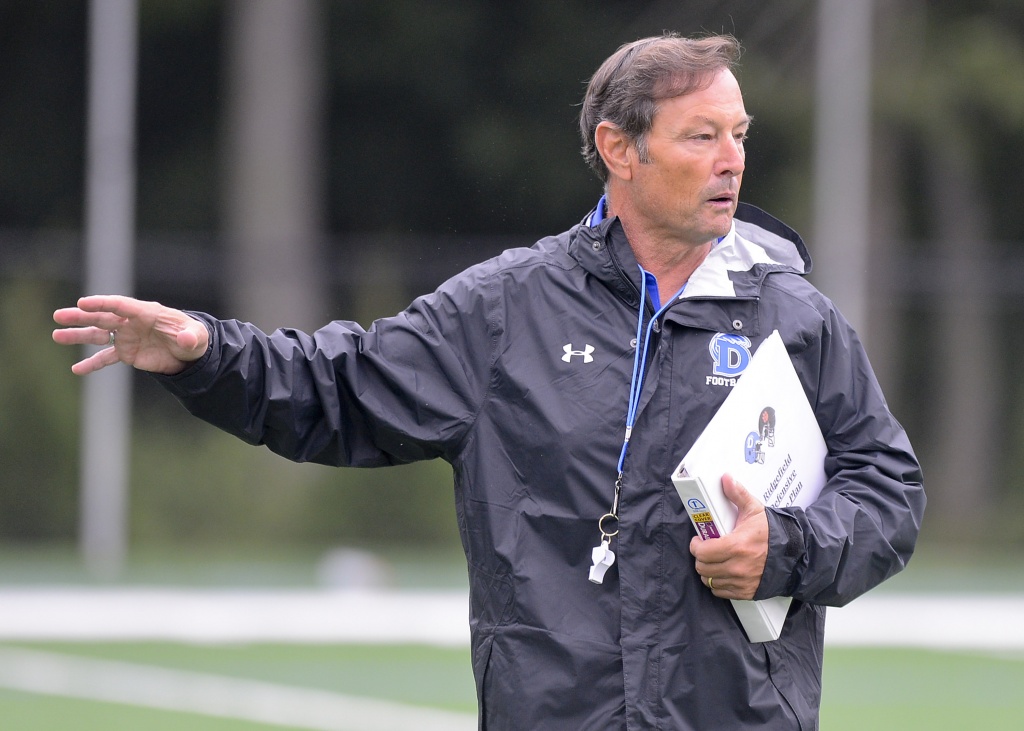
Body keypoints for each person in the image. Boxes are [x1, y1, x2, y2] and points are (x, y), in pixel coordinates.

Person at [53, 33, 925, 730]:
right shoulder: (508, 308)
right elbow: (343, 387)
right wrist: (208, 351)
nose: (732, 158)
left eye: (739, 135)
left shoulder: (794, 315)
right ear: (620, 149)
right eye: (702, 136)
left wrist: (789, 545)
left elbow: (888, 491)